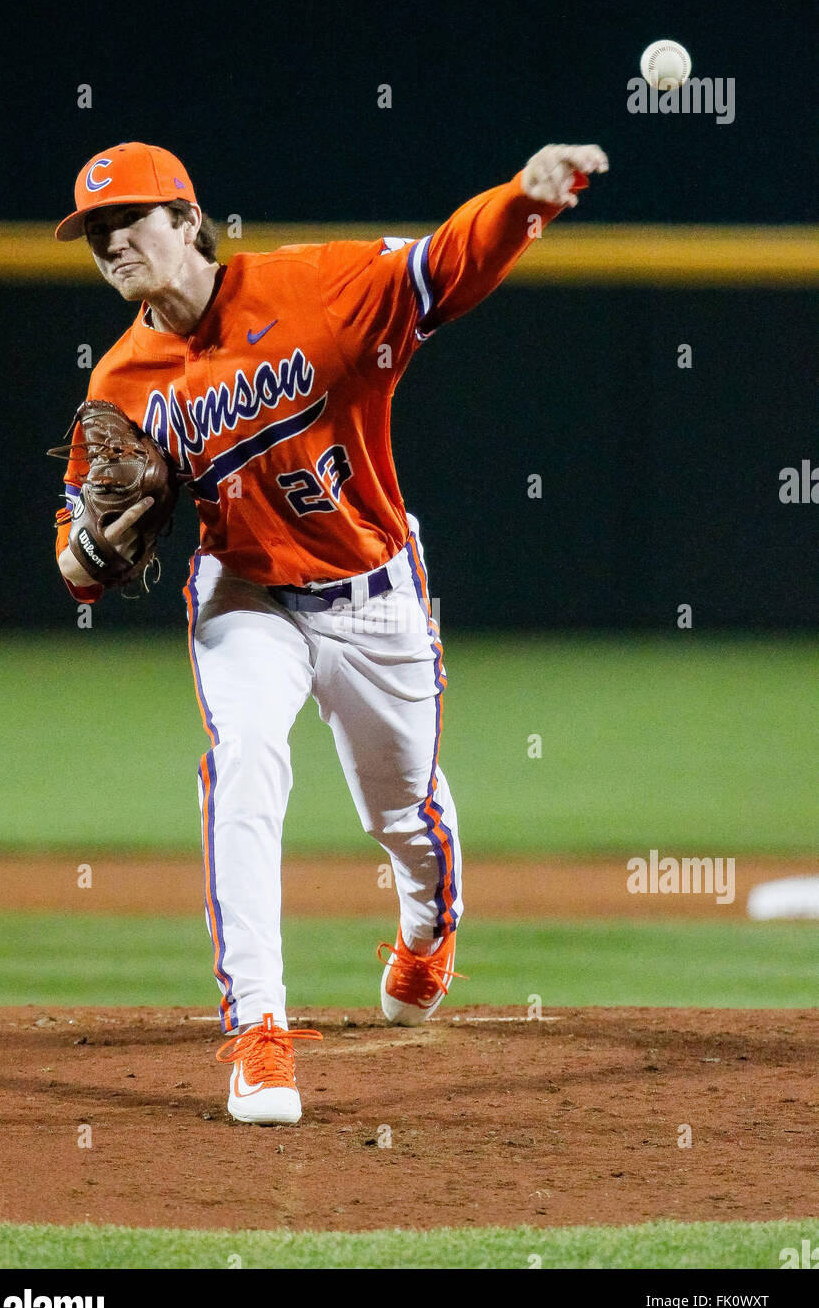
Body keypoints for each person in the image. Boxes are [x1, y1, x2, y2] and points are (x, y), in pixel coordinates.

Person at [54, 139, 608, 1124]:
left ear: (186, 220)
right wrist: (92, 548)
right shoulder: (122, 383)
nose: (110, 242)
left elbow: (440, 268)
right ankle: (258, 1031)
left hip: (374, 589)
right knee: (245, 763)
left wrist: (524, 203)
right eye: (95, 231)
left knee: (401, 815)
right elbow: (75, 564)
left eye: (127, 219)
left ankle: (427, 929)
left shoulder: (312, 285)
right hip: (246, 596)